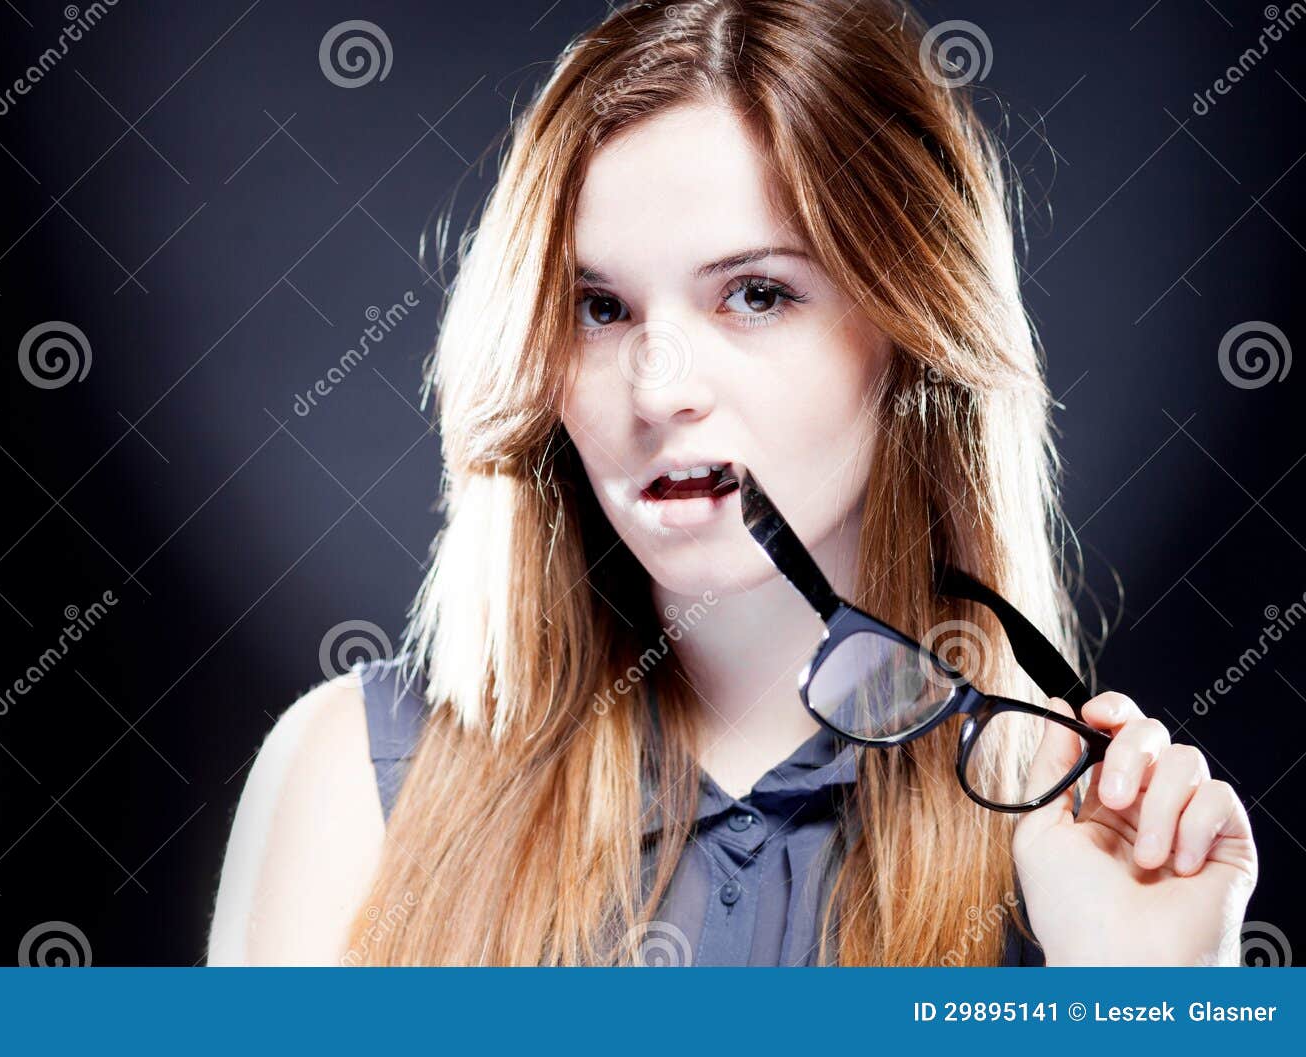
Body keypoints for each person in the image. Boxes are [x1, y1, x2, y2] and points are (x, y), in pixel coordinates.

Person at [208, 0, 1257, 966]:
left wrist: (1149, 1003)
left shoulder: (1076, 841)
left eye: (755, 294)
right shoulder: (346, 779)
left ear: (911, 335)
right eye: (598, 307)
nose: (658, 389)